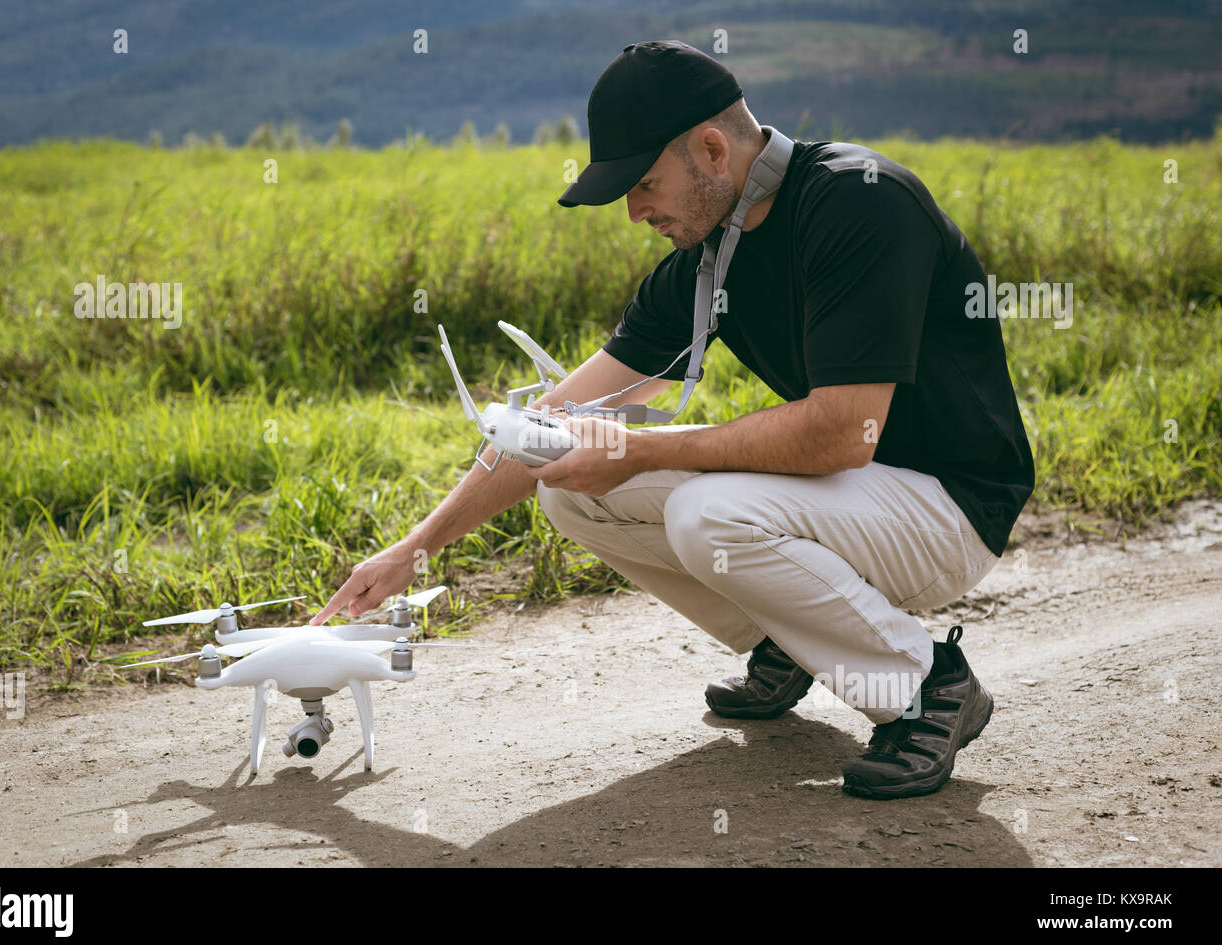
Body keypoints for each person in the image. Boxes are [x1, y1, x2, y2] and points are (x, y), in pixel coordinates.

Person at [312, 40, 1035, 799]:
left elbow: (844, 433)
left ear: (713, 150)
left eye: (645, 184)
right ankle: (785, 642)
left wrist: (640, 449)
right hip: (857, 500)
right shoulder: (705, 262)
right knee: (567, 484)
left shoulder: (859, 201)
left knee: (704, 512)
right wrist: (415, 548)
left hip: (950, 504)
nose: (635, 212)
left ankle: (927, 686)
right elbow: (553, 421)